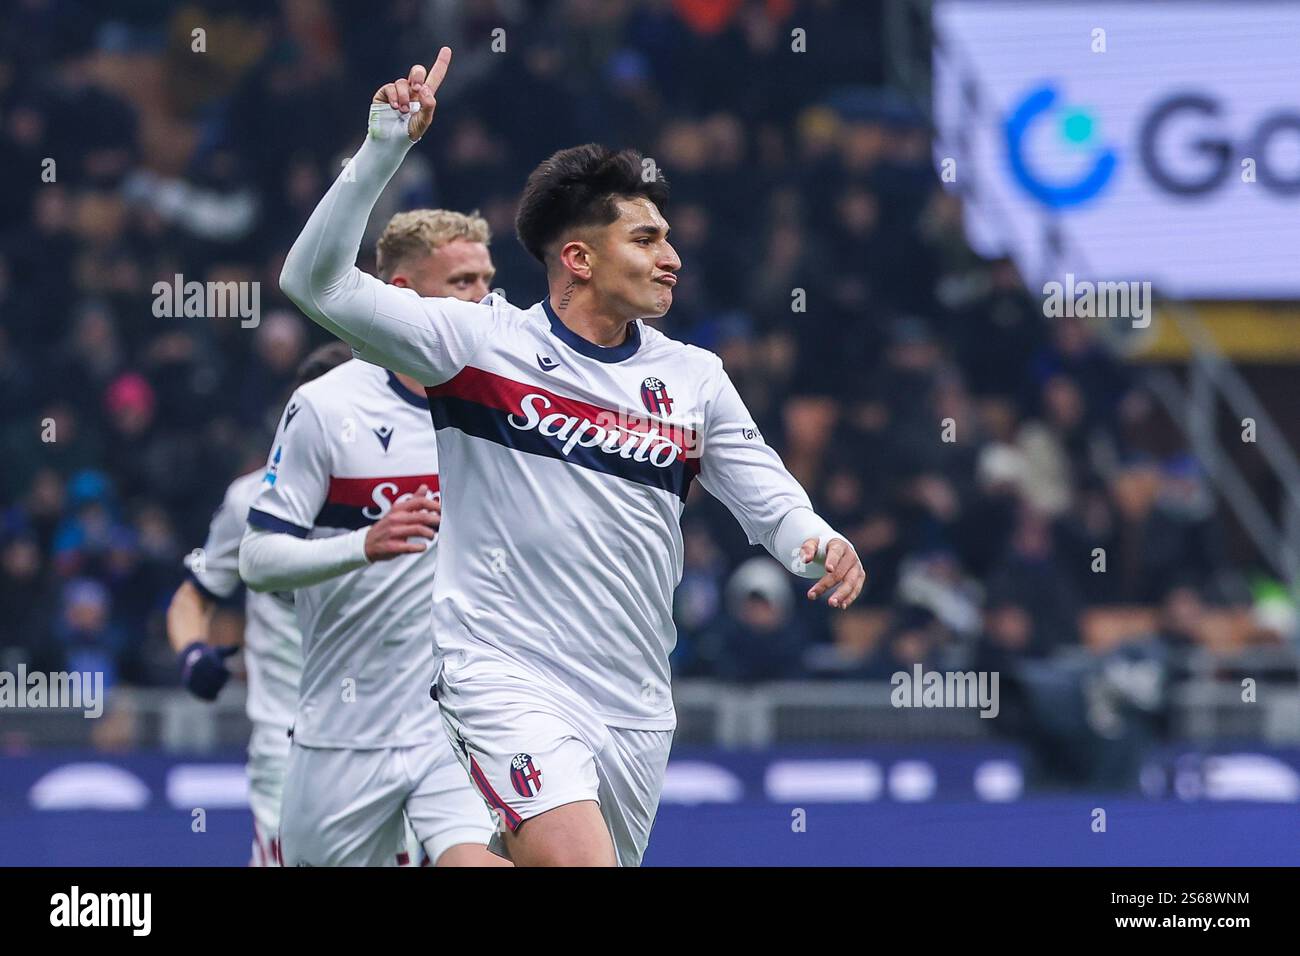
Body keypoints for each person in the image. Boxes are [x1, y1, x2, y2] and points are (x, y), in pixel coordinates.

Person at [278, 48, 866, 866]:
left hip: (633, 701)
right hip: (503, 670)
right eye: (648, 238)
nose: (673, 258)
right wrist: (383, 150)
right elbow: (317, 285)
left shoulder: (691, 377)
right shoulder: (477, 342)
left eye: (670, 239)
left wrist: (817, 542)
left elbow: (765, 495)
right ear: (578, 258)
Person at [239, 208, 507, 867]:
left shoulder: (505, 403)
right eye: (465, 282)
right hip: (344, 732)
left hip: (458, 722)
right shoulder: (329, 407)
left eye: (489, 280)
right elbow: (256, 559)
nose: (487, 300)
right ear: (404, 296)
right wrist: (362, 544)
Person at [166, 341, 351, 866]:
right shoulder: (251, 500)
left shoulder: (413, 493)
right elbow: (193, 596)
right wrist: (193, 654)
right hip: (285, 740)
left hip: (396, 735)